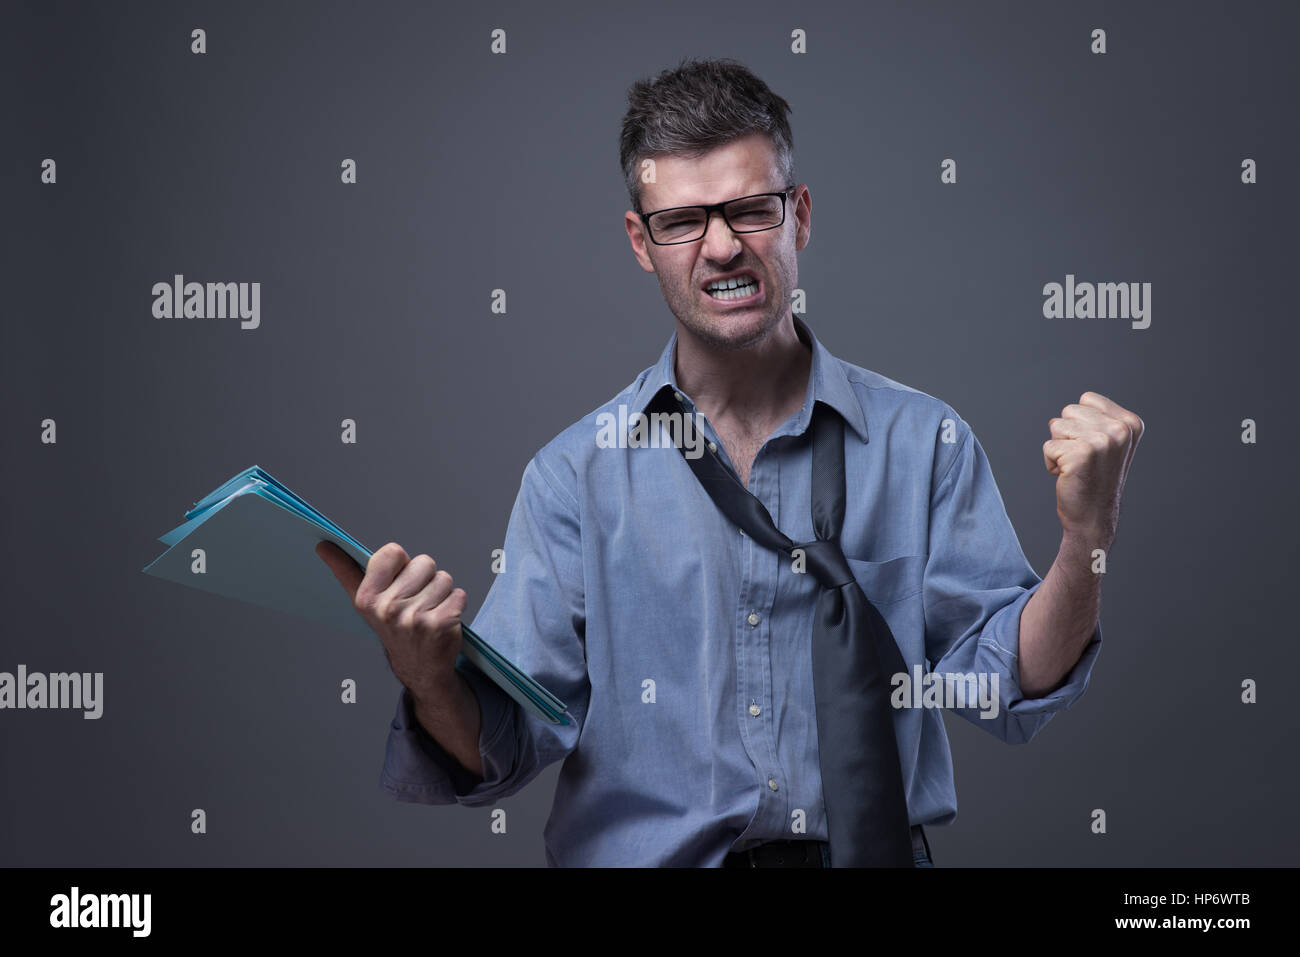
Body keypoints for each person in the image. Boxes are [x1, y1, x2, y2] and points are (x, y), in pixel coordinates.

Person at [316, 57, 1142, 867]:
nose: (721, 248)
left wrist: (1086, 536)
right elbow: (500, 744)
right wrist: (425, 674)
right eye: (682, 221)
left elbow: (1005, 682)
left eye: (750, 209)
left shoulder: (926, 442)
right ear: (643, 242)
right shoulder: (573, 478)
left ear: (800, 216)